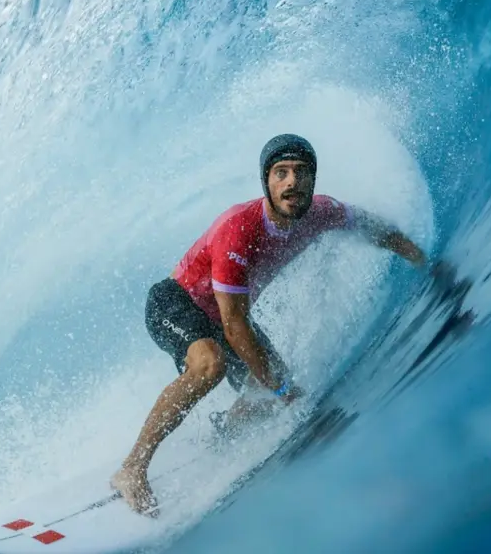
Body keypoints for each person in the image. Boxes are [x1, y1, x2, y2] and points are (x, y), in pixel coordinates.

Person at [110, 133, 446, 515]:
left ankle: (223, 435)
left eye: (301, 173)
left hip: (226, 316)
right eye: (281, 173)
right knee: (211, 364)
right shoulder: (238, 227)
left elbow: (376, 229)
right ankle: (132, 468)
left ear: (313, 180)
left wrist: (425, 261)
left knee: (266, 394)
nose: (292, 182)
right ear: (266, 182)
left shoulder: (322, 213)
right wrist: (281, 387)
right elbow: (235, 325)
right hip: (176, 302)